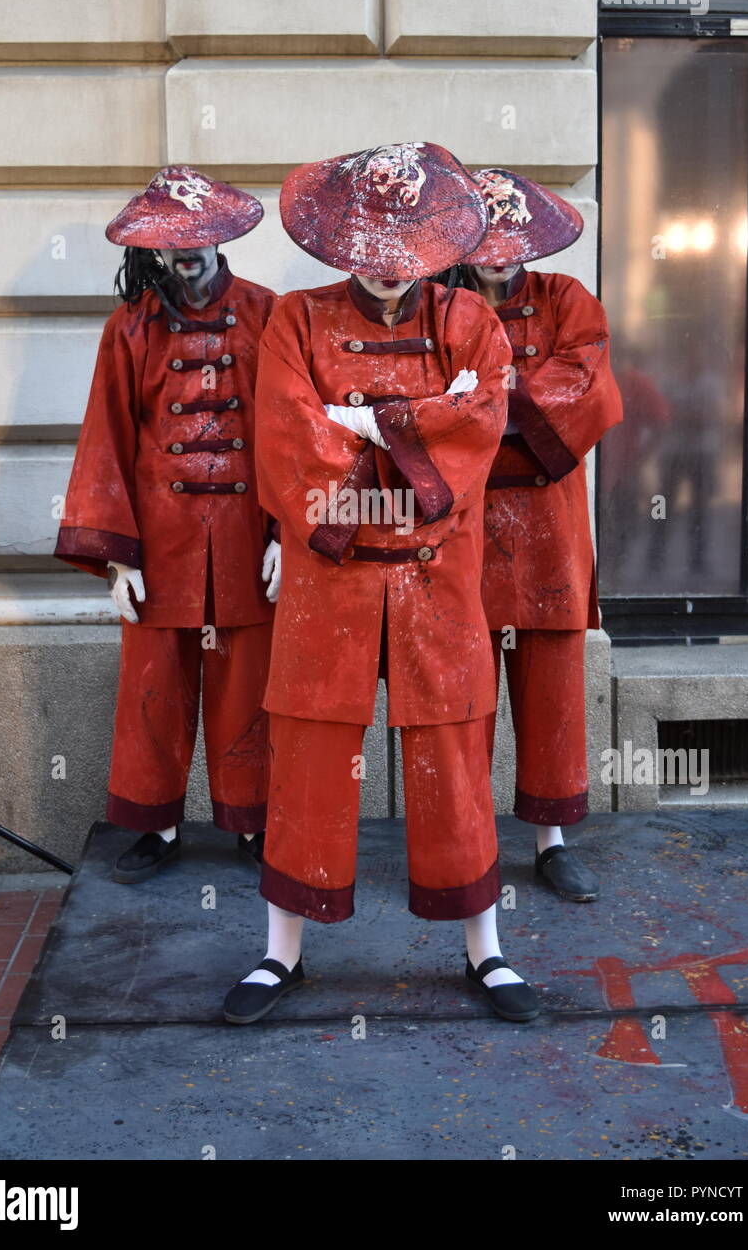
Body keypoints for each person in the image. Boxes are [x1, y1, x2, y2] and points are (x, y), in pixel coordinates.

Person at [223, 141, 541, 1025]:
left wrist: (361, 419)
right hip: (331, 581)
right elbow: (288, 444)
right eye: (372, 251)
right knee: (309, 755)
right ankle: (279, 952)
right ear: (346, 242)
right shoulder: (294, 319)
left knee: (456, 755)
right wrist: (416, 424)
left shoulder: (473, 322)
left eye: (406, 253)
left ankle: (488, 950)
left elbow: (481, 427)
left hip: (441, 582)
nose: (388, 272)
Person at [55, 166, 280, 882]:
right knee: (154, 688)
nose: (189, 249)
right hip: (161, 541)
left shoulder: (272, 314)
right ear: (153, 248)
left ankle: (251, 823)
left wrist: (287, 535)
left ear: (221, 237)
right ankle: (161, 827)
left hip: (247, 535)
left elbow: (290, 434)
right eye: (174, 239)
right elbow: (106, 436)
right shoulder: (130, 328)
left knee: (247, 683)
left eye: (199, 235)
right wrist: (116, 555)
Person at [456, 169, 623, 901]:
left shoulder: (568, 302)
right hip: (463, 528)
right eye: (483, 238)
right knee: (463, 689)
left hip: (550, 531)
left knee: (553, 686)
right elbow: (425, 405)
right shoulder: (442, 306)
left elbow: (584, 389)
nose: (496, 253)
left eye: (509, 238)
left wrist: (486, 406)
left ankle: (552, 842)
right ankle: (467, 837)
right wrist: (503, 412)